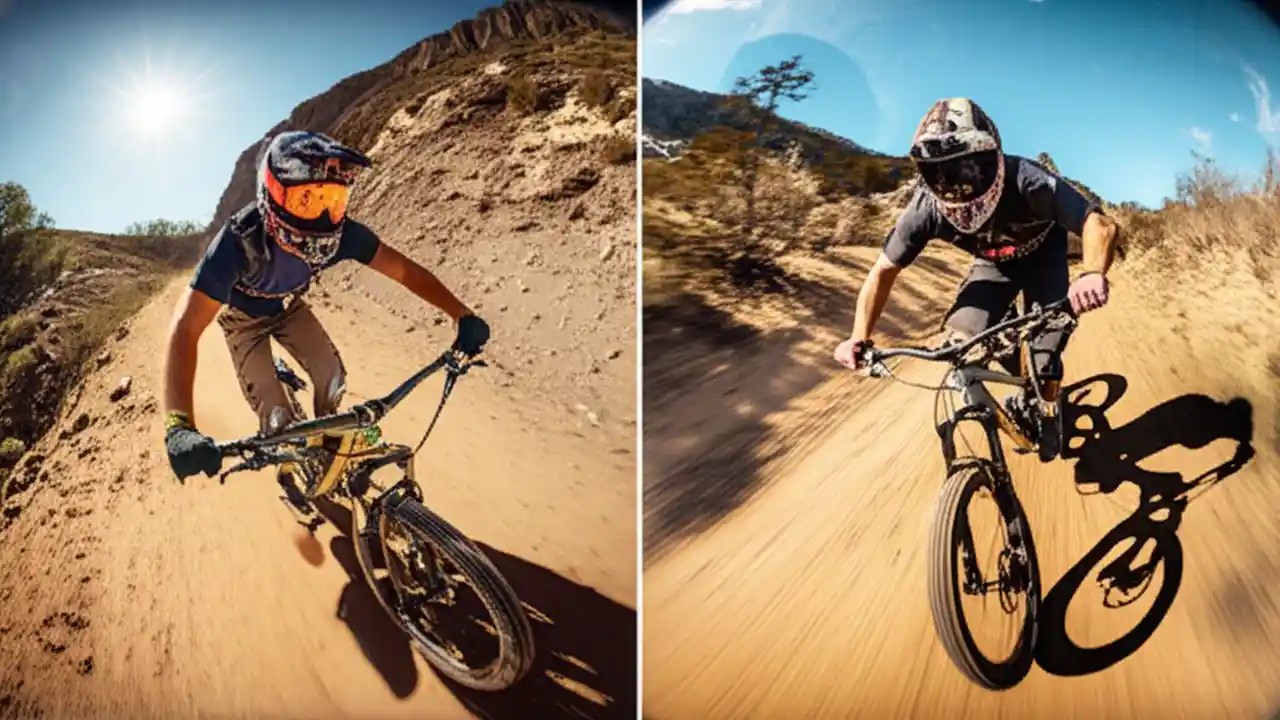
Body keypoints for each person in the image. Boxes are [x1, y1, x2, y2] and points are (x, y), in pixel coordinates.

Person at [162, 130, 489, 481]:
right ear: (273, 191)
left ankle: (325, 446)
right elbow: (186, 327)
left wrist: (461, 314)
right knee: (278, 424)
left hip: (289, 309)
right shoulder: (237, 242)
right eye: (308, 200)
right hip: (243, 324)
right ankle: (290, 462)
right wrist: (179, 424)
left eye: (333, 201)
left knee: (332, 381)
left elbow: (405, 272)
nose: (323, 217)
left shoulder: (343, 234)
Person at [832, 98, 1119, 460]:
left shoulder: (1026, 179)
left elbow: (1099, 224)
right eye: (939, 174)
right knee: (962, 343)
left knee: (1046, 355)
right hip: (993, 267)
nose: (956, 185)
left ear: (995, 155)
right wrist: (859, 337)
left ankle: (1049, 411)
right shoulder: (925, 209)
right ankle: (1016, 364)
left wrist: (1092, 273)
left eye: (970, 167)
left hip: (1044, 257)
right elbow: (882, 272)